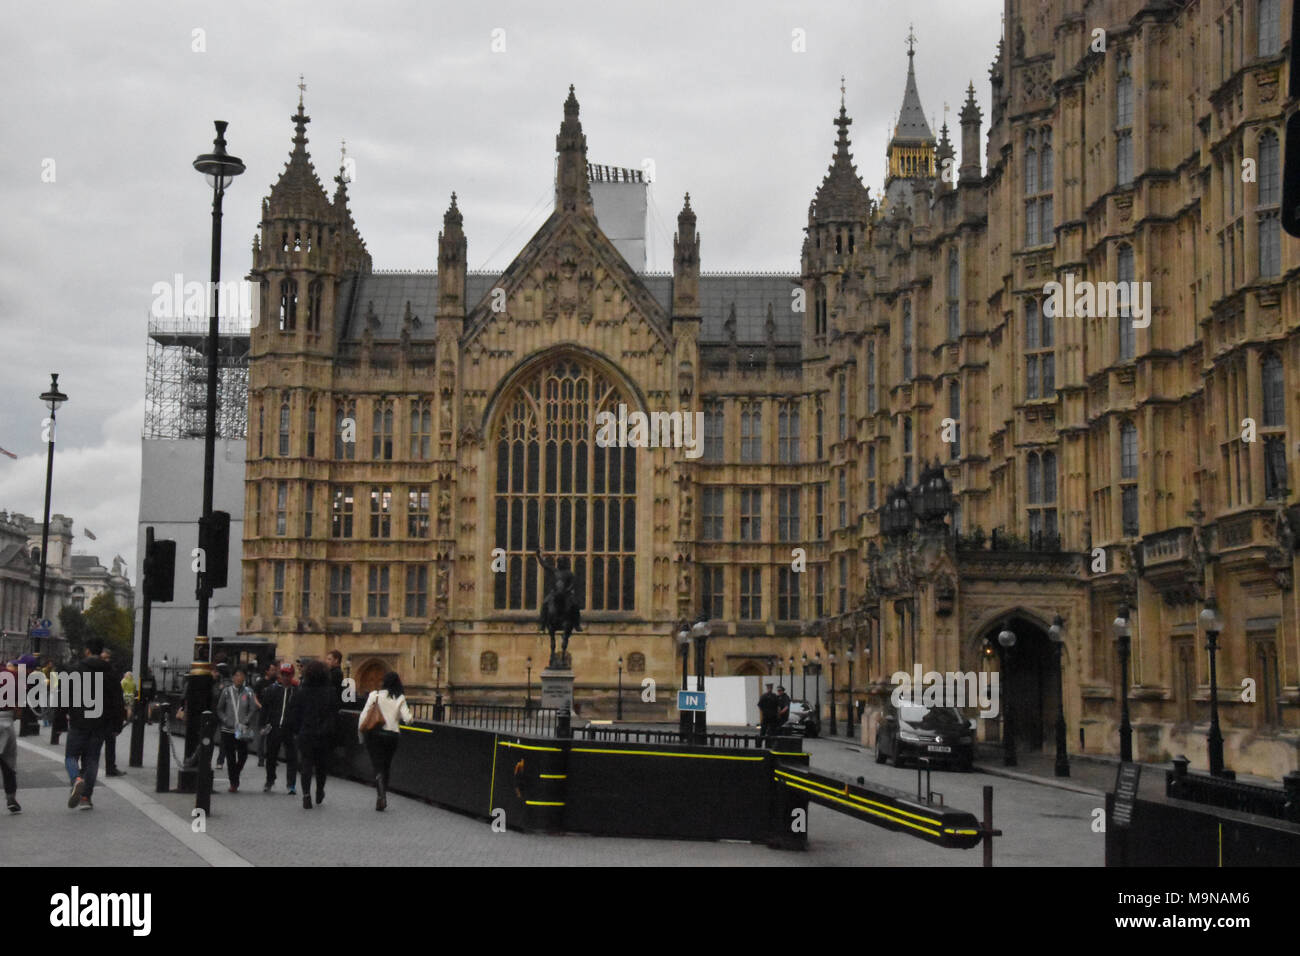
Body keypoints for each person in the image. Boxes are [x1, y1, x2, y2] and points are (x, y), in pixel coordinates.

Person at [65, 638, 112, 810]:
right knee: (91, 760)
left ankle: (76, 779)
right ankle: (86, 797)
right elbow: (116, 700)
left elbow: (65, 696)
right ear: (100, 652)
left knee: (71, 756)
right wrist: (115, 724)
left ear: (86, 651)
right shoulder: (109, 671)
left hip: (78, 721)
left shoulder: (75, 670)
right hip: (99, 722)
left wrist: (60, 720)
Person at [356, 671, 413, 811]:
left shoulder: (374, 695)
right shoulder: (400, 698)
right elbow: (408, 719)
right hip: (392, 736)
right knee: (386, 764)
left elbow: (364, 716)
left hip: (375, 734)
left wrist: (360, 734)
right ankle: (384, 792)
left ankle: (380, 792)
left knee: (377, 764)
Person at [289, 660, 338, 809]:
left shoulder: (301, 691)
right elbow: (334, 713)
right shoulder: (330, 692)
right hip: (324, 734)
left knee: (306, 764)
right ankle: (319, 790)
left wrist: (297, 730)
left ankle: (306, 795)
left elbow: (294, 713)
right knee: (321, 765)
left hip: (306, 733)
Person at [216, 668, 259, 792]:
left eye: (241, 675)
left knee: (243, 754)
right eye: (237, 675)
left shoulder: (248, 692)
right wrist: (225, 719)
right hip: (228, 729)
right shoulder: (226, 692)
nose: (239, 678)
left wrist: (247, 719)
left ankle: (236, 771)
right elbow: (219, 709)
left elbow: (253, 708)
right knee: (230, 756)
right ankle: (233, 782)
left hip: (242, 729)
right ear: (233, 677)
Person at [262, 663, 299, 794]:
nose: (285, 677)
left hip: (290, 729)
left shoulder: (296, 690)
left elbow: (300, 710)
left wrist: (297, 728)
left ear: (292, 675)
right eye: (283, 674)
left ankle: (291, 784)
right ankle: (270, 780)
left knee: (292, 758)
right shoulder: (272, 690)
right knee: (271, 756)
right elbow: (265, 708)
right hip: (274, 727)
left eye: (288, 675)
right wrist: (263, 725)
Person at [99, 648, 127, 777]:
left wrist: (118, 721)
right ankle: (86, 767)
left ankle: (111, 767)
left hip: (109, 715)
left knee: (110, 743)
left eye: (107, 658)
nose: (105, 660)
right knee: (94, 743)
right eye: (103, 658)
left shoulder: (113, 675)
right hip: (95, 715)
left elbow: (118, 699)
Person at [1, 661, 21, 812]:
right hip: (5, 719)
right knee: (8, 762)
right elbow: (19, 706)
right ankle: (11, 797)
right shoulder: (12, 675)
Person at [251, 662, 278, 767]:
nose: (274, 672)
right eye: (272, 670)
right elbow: (254, 696)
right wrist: (260, 706)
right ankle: (261, 758)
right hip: (262, 712)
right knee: (262, 736)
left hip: (273, 713)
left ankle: (272, 758)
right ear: (267, 671)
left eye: (274, 670)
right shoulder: (260, 682)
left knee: (272, 736)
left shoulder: (275, 683)